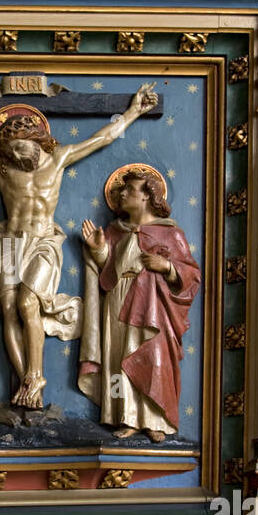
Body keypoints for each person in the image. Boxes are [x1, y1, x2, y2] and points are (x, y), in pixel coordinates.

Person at [0, 81, 159, 410]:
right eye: (9, 151)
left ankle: (36, 376)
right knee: (7, 308)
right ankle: (28, 385)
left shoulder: (59, 158)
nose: (15, 155)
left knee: (26, 304)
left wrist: (135, 110)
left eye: (20, 148)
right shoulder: (3, 167)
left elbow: (103, 137)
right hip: (10, 242)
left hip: (43, 241)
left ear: (35, 139)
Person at [78, 166, 201, 442]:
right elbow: (107, 269)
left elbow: (192, 275)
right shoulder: (115, 230)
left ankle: (154, 417)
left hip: (152, 306)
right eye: (122, 189)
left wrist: (167, 266)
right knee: (118, 360)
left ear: (147, 197)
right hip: (118, 298)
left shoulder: (172, 234)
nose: (122, 193)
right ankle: (125, 416)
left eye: (130, 189)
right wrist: (98, 249)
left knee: (150, 357)